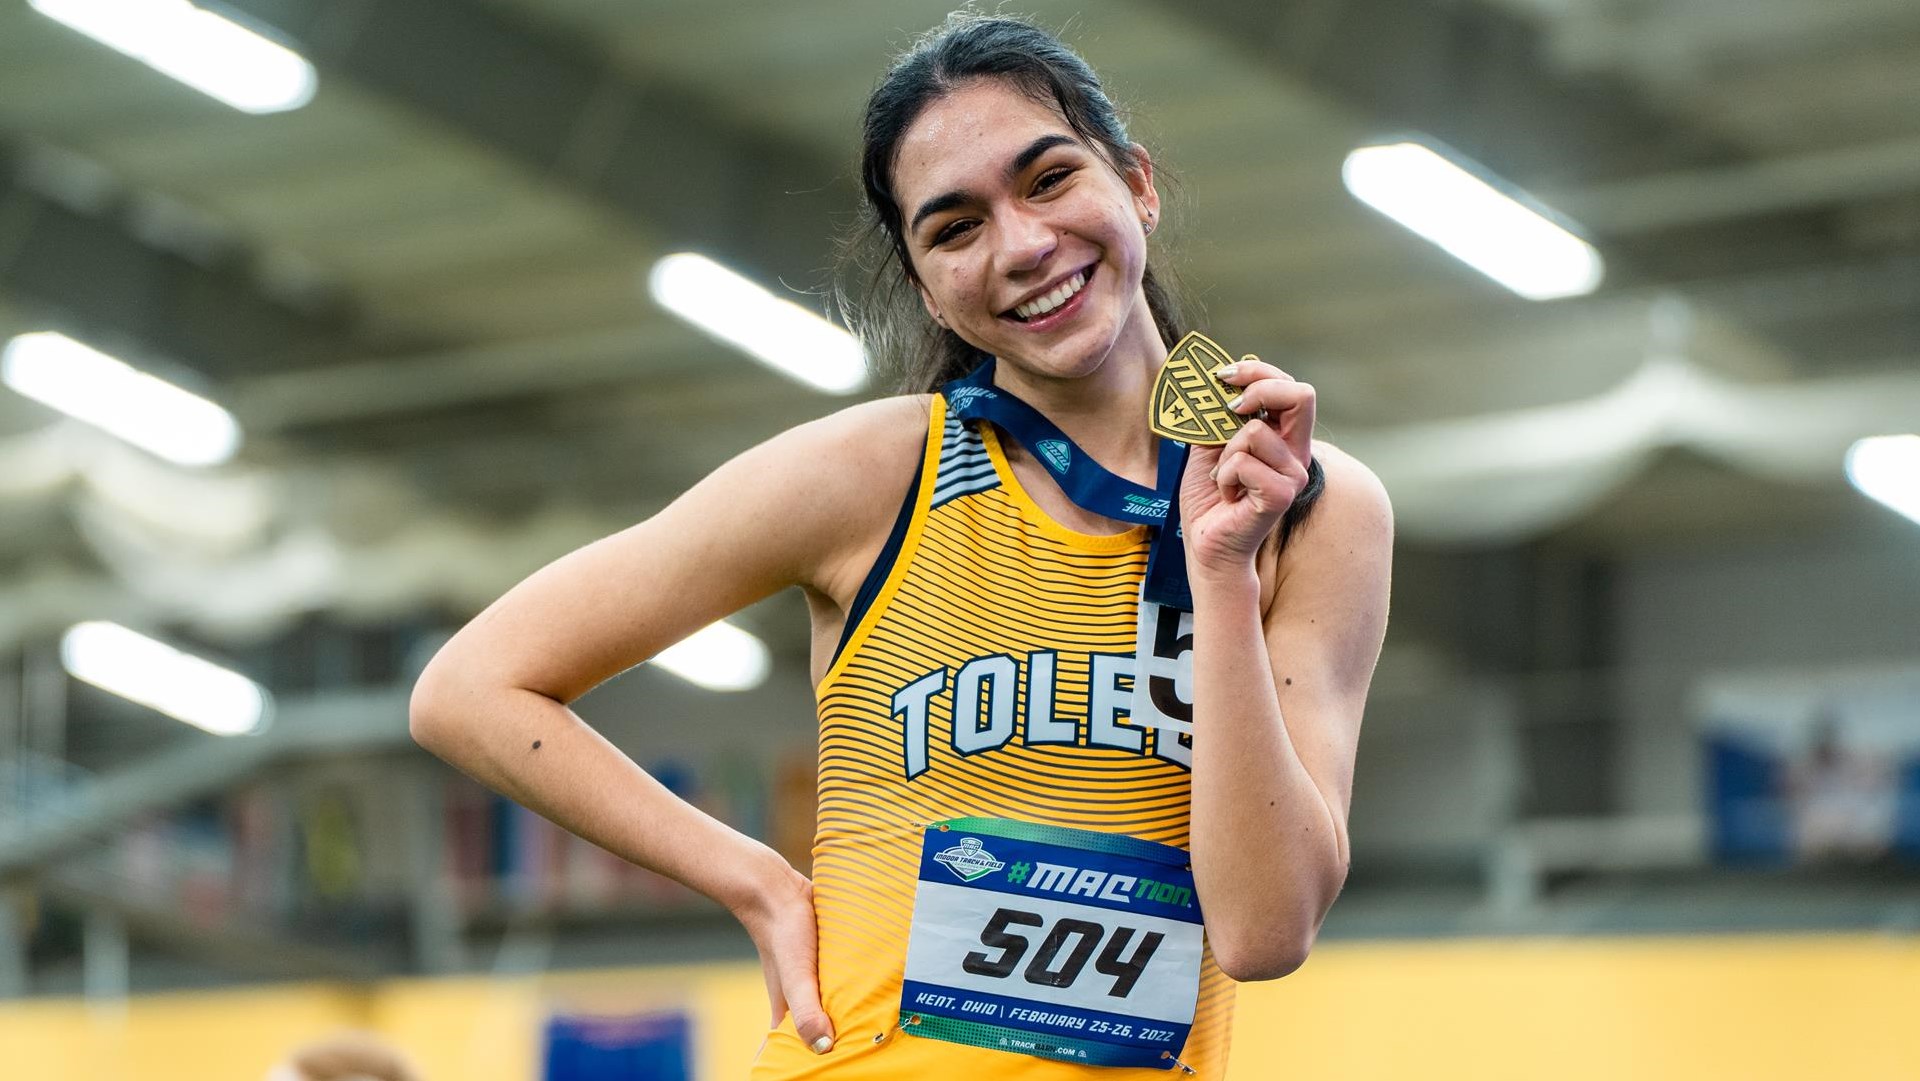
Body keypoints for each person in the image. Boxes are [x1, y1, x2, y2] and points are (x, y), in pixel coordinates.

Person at [409, 12, 1391, 1079]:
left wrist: (1221, 570)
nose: (1022, 246)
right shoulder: (873, 476)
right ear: (927, 285)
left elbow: (1262, 931)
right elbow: (469, 687)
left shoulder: (1314, 510)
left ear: (1138, 184)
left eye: (1050, 179)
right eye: (955, 227)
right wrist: (754, 878)